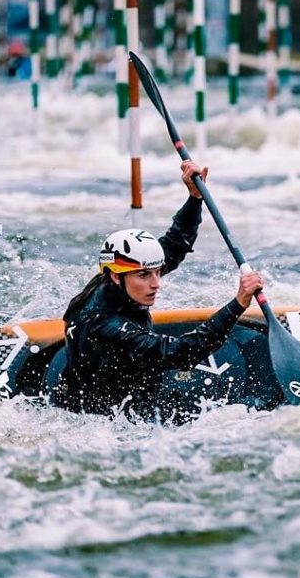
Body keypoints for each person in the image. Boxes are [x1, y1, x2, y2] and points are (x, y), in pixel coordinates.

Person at [54, 160, 264, 419]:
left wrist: (194, 198)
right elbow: (182, 352)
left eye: (156, 272)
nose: (156, 283)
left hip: (123, 391)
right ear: (116, 277)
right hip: (105, 425)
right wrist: (238, 304)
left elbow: (175, 244)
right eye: (145, 275)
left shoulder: (115, 277)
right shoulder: (105, 324)